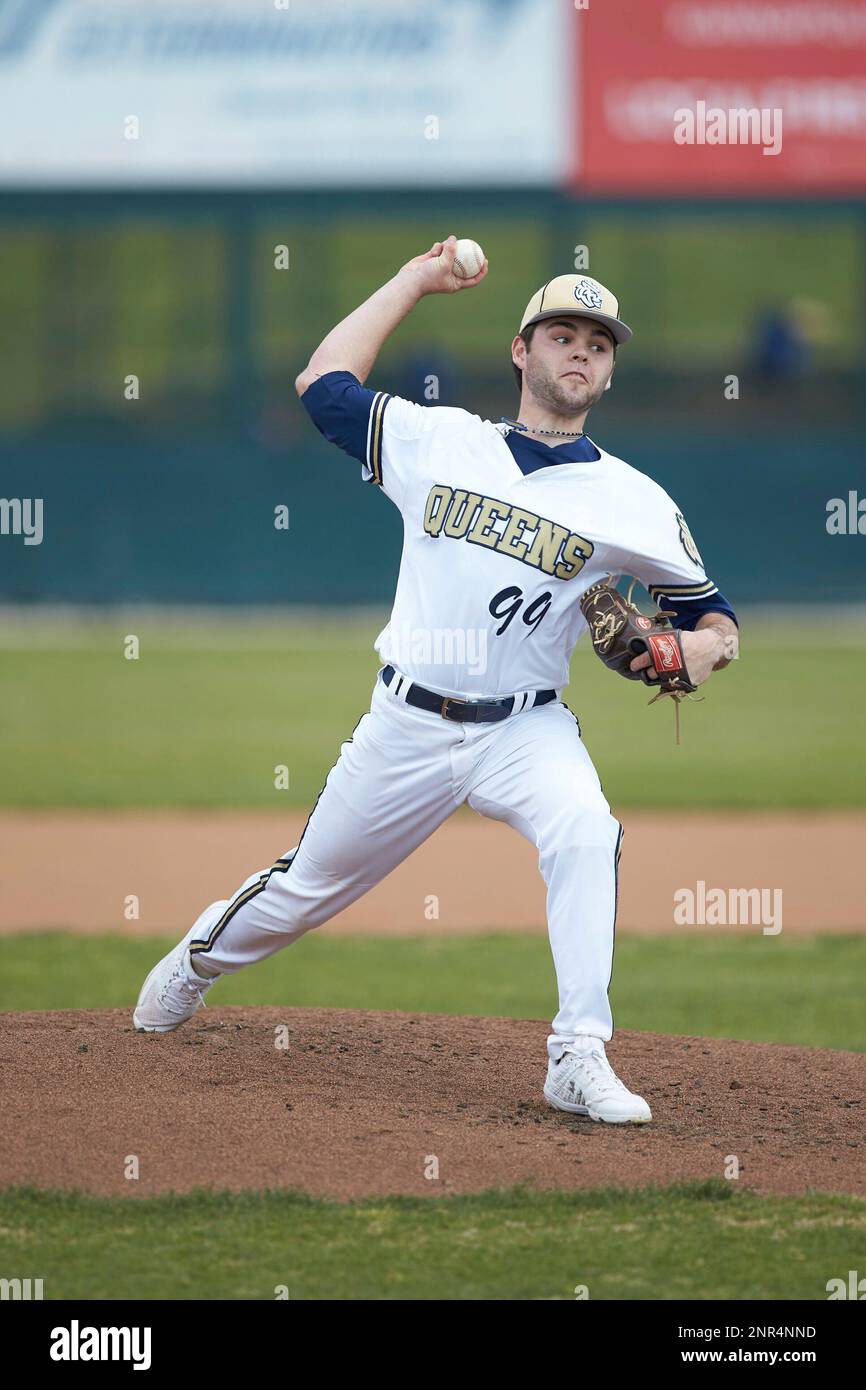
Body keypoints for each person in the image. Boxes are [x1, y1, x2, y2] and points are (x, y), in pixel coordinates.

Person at [133, 236, 739, 1125]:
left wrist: (701, 651)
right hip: (408, 724)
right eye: (563, 334)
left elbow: (717, 620)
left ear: (608, 375)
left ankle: (577, 1053)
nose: (581, 352)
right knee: (302, 894)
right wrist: (415, 280)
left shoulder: (636, 502)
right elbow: (321, 382)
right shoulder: (439, 440)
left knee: (584, 829)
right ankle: (195, 962)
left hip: (524, 729)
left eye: (599, 344)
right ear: (521, 352)